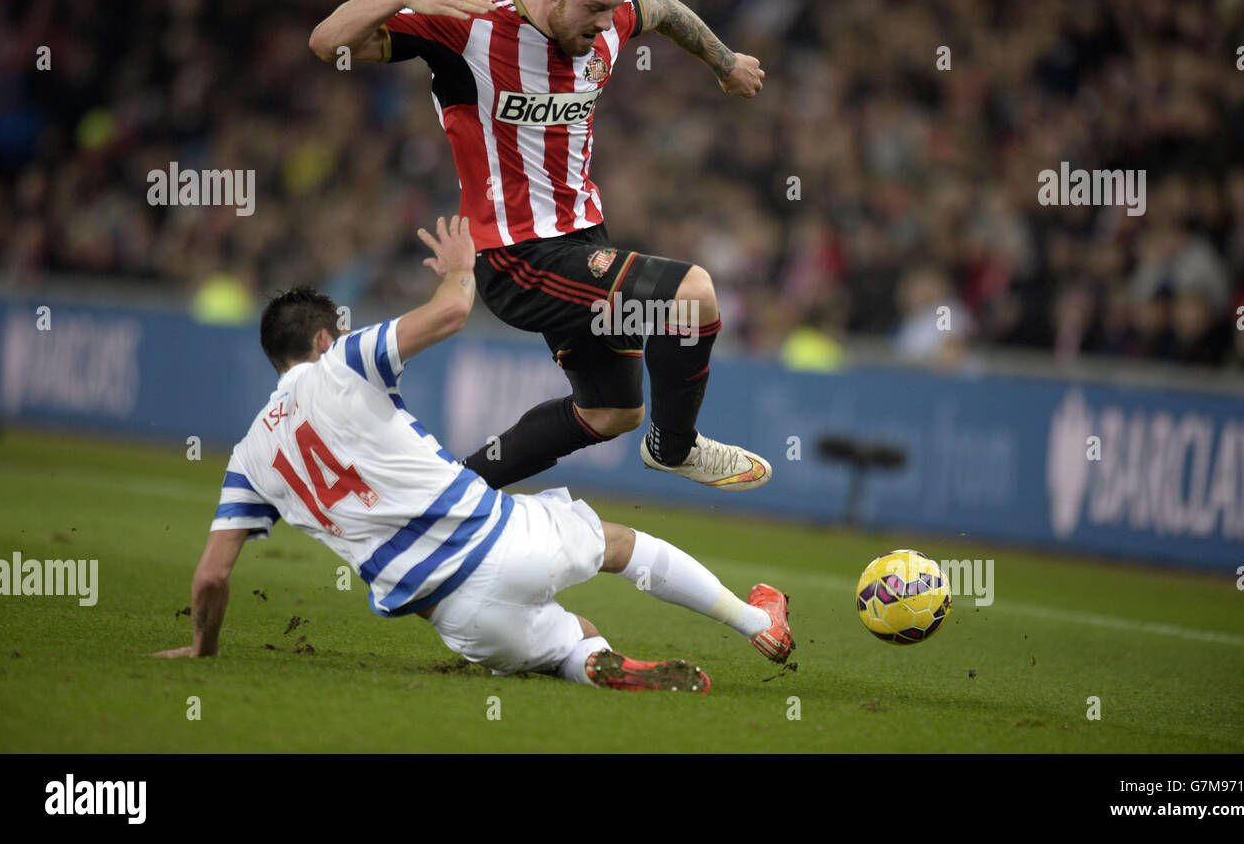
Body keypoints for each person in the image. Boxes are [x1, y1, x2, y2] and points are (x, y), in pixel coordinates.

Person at [152, 217, 794, 691]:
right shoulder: (342, 362)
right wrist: (461, 264)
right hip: (501, 540)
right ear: (326, 336)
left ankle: (597, 665)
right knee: (616, 543)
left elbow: (210, 578)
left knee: (571, 643)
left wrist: (203, 651)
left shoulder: (248, 456)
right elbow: (454, 310)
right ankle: (754, 621)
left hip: (459, 620)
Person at [308, 0, 771, 492]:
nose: (606, 23)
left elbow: (661, 8)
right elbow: (328, 43)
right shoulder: (470, 24)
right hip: (517, 258)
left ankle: (450, 500)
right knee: (693, 294)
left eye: (612, 9)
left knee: (611, 412)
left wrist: (725, 64)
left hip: (583, 242)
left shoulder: (610, 16)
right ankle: (675, 448)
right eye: (593, 9)